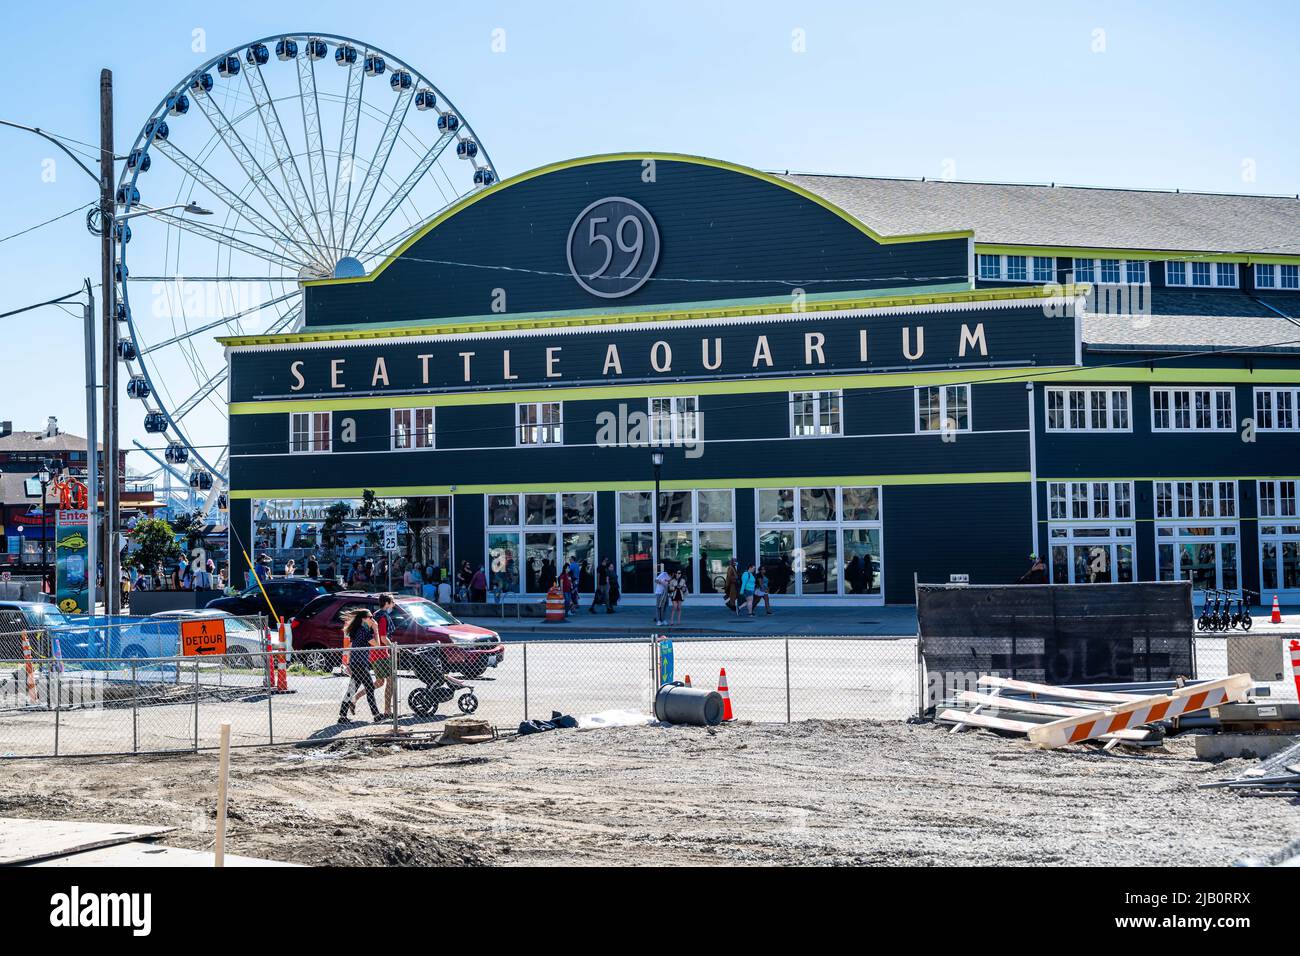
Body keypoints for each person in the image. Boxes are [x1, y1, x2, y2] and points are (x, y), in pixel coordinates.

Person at [338, 608, 384, 724]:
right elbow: (377, 645)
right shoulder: (363, 631)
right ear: (364, 619)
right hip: (360, 664)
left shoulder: (359, 629)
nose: (372, 619)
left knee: (352, 688)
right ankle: (376, 715)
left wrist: (348, 663)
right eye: (370, 617)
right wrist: (376, 629)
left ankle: (342, 716)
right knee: (369, 688)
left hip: (357, 663)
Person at [361, 594, 397, 718]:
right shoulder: (382, 617)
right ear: (387, 603)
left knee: (380, 682)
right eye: (392, 602)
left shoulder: (376, 614)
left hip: (375, 652)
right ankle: (387, 711)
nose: (394, 604)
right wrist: (393, 647)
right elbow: (382, 637)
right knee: (391, 680)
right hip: (380, 652)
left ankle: (355, 697)